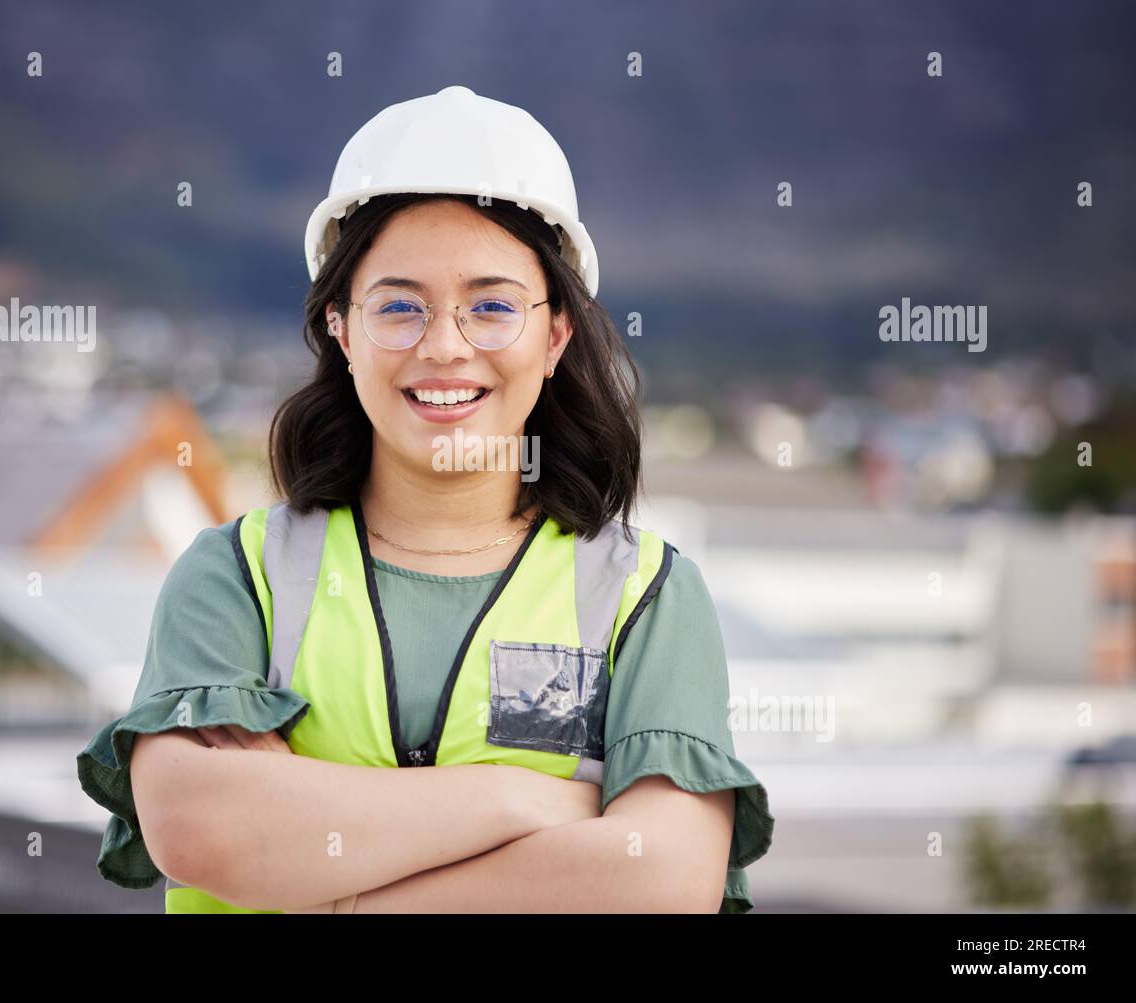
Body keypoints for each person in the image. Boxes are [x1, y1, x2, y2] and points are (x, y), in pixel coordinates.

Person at [76, 85, 774, 913]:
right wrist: (526, 800)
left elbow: (660, 878)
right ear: (340, 328)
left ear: (555, 337)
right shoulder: (237, 577)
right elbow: (201, 830)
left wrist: (334, 879)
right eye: (400, 307)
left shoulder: (645, 596)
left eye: (492, 307)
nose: (445, 346)